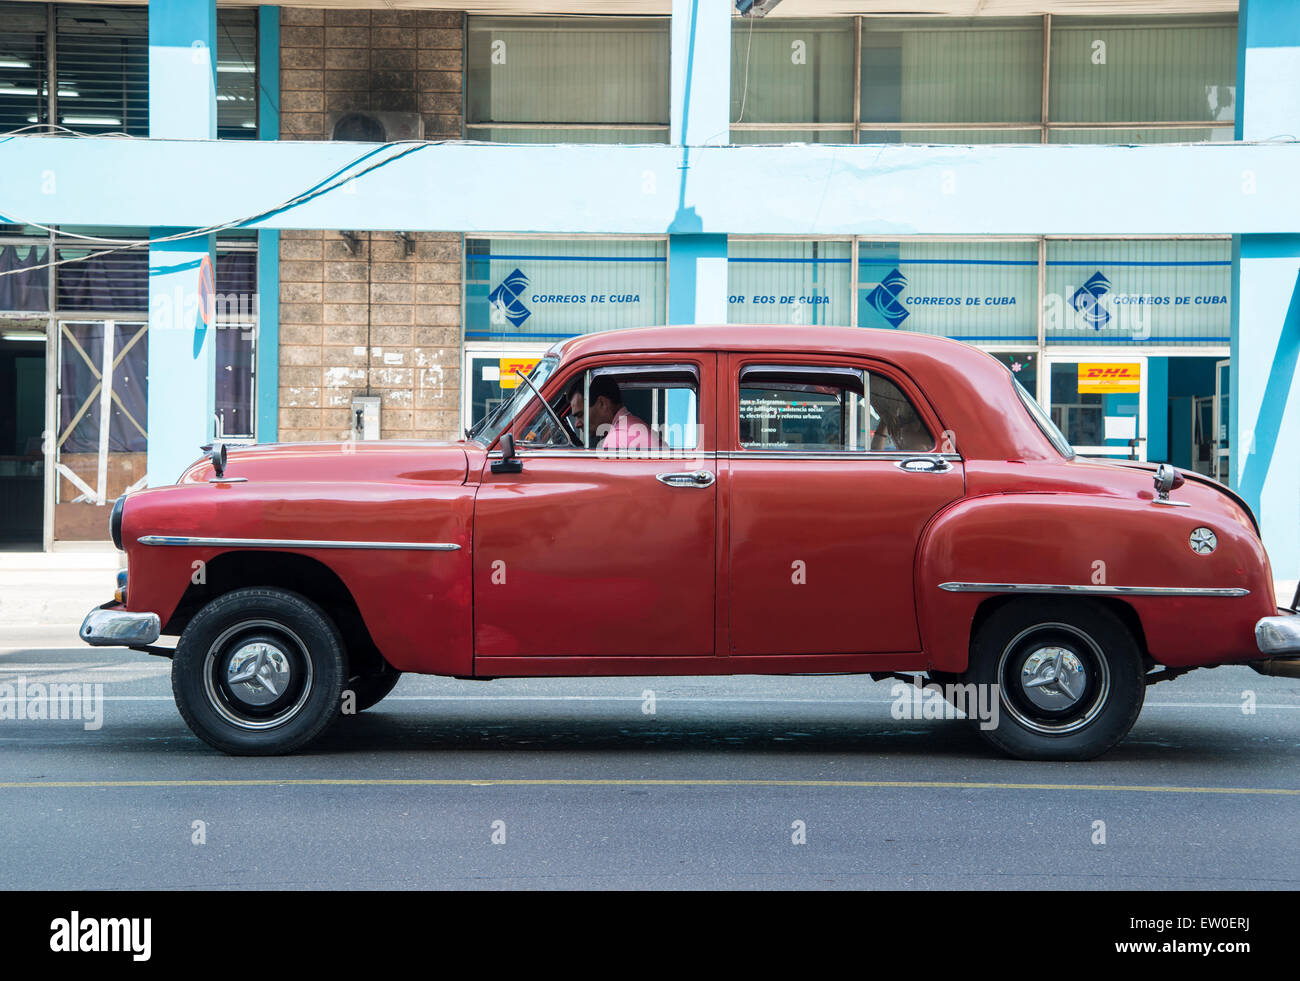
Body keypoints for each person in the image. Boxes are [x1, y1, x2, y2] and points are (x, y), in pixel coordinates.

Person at [568, 376, 663, 450]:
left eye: (580, 415)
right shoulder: (634, 425)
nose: (577, 424)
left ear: (602, 403)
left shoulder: (615, 440)